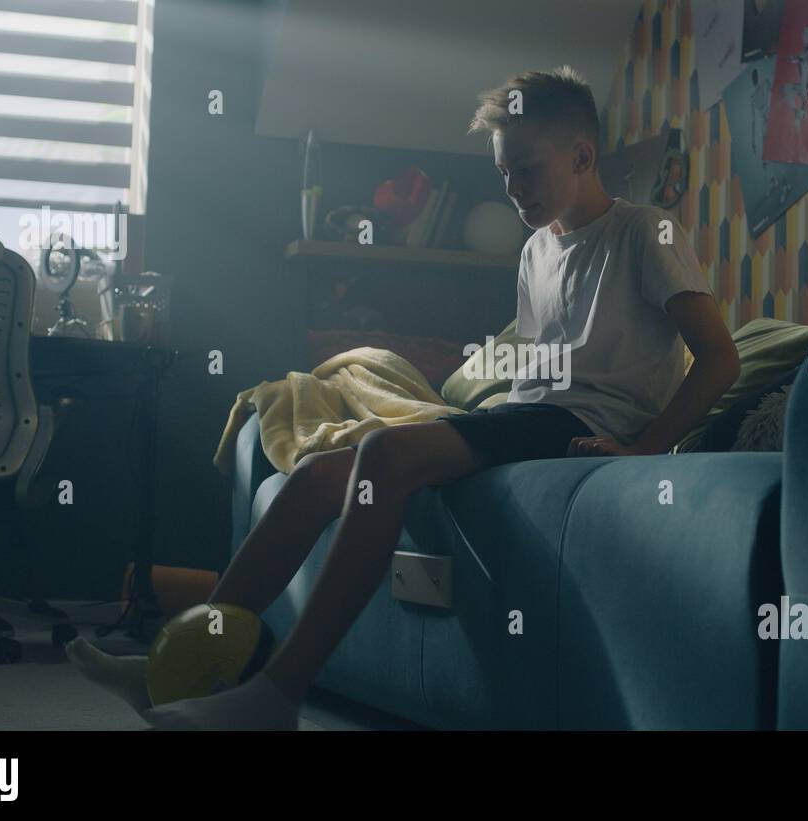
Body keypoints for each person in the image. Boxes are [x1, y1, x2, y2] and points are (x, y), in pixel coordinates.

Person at [67, 65, 741, 730]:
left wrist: (645, 449)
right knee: (315, 474)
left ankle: (276, 694)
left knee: (386, 454)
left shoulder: (644, 232)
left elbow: (721, 358)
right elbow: (532, 374)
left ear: (583, 156)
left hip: (582, 423)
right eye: (503, 173)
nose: (513, 188)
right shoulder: (536, 251)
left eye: (527, 170)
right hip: (524, 416)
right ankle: (172, 665)